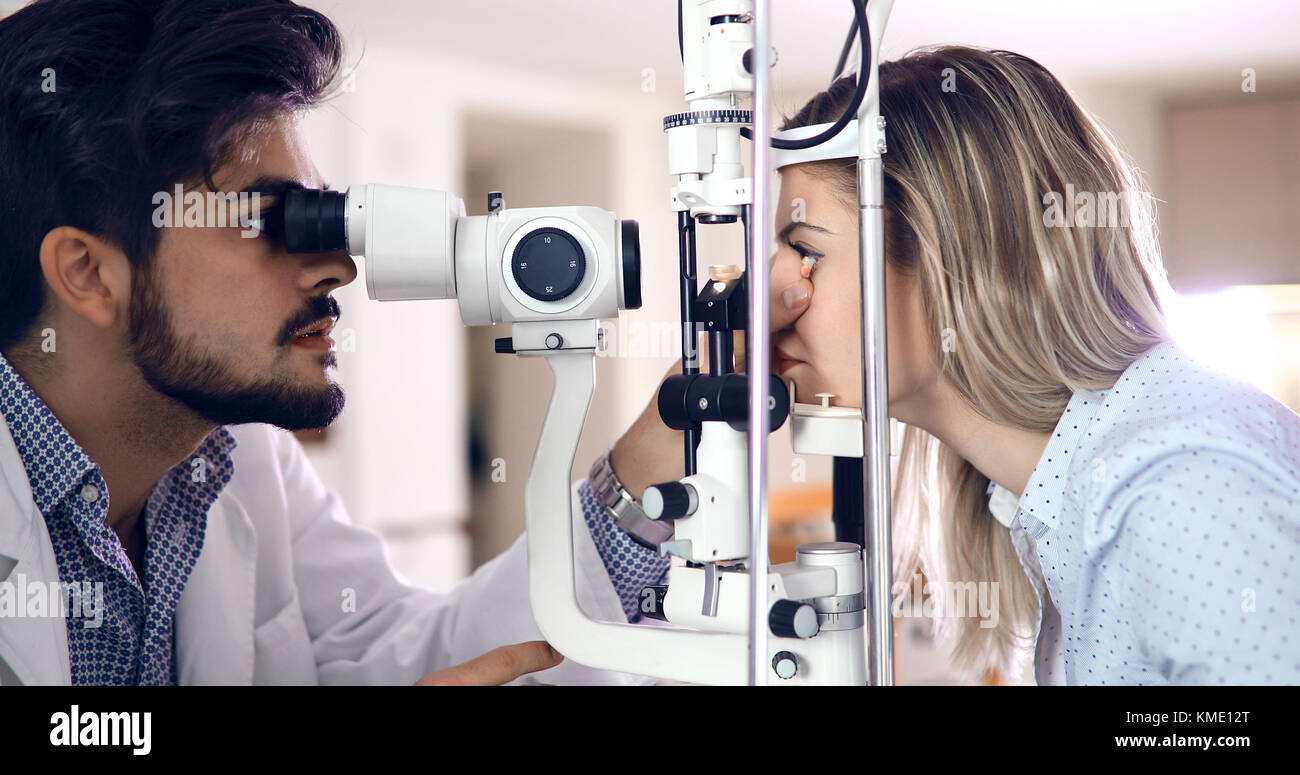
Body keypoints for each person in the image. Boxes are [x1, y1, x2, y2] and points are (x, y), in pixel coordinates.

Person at [0, 0, 696, 686]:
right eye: (270, 218)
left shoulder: (239, 461)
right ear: (89, 273)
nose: (340, 265)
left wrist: (652, 455)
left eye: (322, 211)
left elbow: (421, 656)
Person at [614, 45, 1300, 685]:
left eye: (806, 251)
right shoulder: (1056, 502)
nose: (770, 296)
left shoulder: (1174, 490)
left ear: (950, 257)